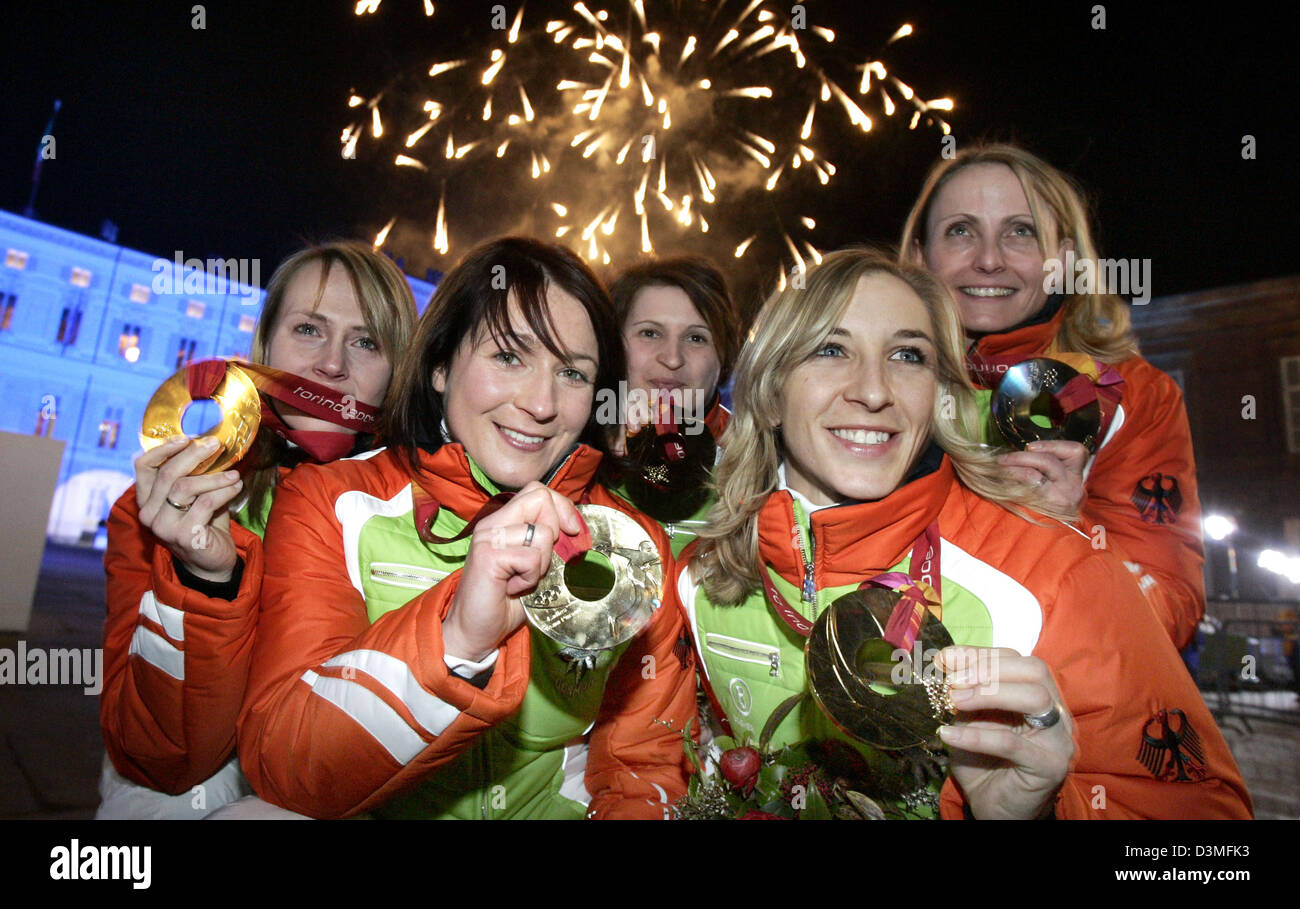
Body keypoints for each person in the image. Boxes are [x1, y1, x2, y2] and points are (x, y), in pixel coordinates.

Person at [674, 248, 1251, 819]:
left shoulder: (1054, 572)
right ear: (771, 392)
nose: (874, 392)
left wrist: (1034, 813)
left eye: (908, 355)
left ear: (941, 395)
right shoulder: (701, 575)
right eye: (831, 349)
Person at [236, 236, 694, 819]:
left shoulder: (630, 543)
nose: (541, 403)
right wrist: (456, 641)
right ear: (439, 366)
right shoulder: (332, 500)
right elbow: (285, 766)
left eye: (574, 375)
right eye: (508, 357)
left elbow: (645, 766)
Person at [98, 242, 417, 819]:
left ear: (401, 370)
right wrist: (205, 581)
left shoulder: (430, 512)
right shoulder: (157, 508)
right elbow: (160, 759)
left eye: (366, 341)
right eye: (308, 330)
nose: (333, 365)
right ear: (265, 345)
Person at [900, 144, 1204, 649]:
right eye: (960, 231)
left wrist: (1069, 529)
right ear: (918, 257)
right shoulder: (873, 386)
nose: (990, 260)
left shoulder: (1134, 396)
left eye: (1021, 232)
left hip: (1051, 706)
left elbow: (1171, 612)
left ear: (1063, 259)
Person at [607, 257, 742, 554]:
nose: (672, 358)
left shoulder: (763, 466)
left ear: (724, 358)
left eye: (696, 338)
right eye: (650, 333)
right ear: (612, 346)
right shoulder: (567, 448)